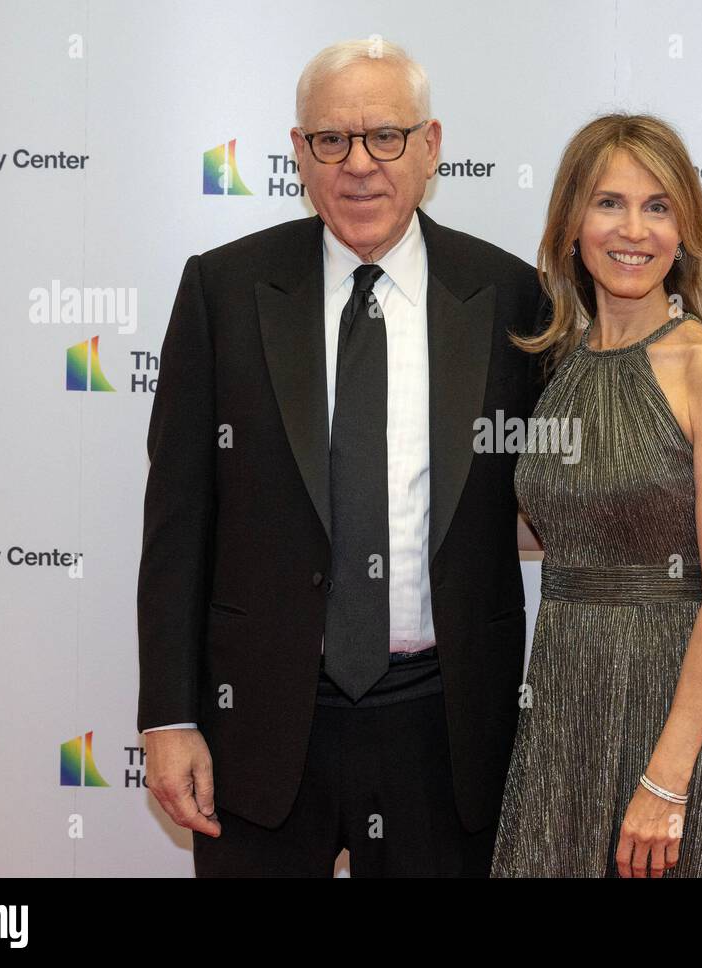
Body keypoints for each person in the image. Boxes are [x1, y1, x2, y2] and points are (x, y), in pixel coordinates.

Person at [136, 39, 546, 876]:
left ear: (431, 147)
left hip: (447, 725)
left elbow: (562, 493)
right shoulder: (223, 290)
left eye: (385, 137)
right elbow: (179, 523)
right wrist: (170, 715)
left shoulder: (508, 295)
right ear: (299, 153)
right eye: (332, 140)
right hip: (261, 723)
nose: (358, 164)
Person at [491, 113, 702, 877]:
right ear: (572, 221)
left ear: (686, 231)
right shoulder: (553, 369)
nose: (634, 230)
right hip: (562, 706)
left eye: (659, 207)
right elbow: (561, 525)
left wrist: (665, 778)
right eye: (609, 202)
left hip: (675, 715)